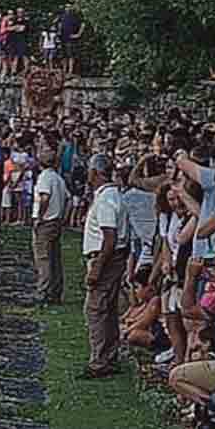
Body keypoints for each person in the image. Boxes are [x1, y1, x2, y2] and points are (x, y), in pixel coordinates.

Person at [82, 154, 130, 378]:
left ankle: (99, 361)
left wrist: (97, 268)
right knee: (107, 309)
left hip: (107, 259)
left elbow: (109, 237)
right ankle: (109, 356)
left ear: (96, 173)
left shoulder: (107, 200)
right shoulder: (111, 195)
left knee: (96, 309)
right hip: (112, 258)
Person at [33, 145, 70, 303]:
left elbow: (44, 197)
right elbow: (68, 200)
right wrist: (63, 217)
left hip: (46, 222)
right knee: (55, 258)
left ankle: (43, 292)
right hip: (56, 221)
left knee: (43, 258)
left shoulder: (45, 177)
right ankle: (56, 291)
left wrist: (39, 217)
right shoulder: (58, 178)